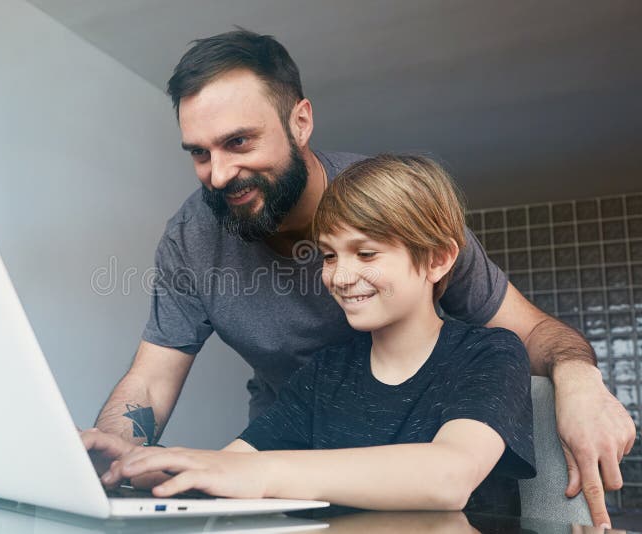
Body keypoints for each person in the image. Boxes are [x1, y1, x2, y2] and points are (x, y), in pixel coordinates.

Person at [83, 29, 634, 527]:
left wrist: (580, 380)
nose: (219, 174)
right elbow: (156, 383)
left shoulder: (403, 214)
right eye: (198, 154)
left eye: (239, 142)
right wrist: (123, 458)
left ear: (300, 121)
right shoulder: (313, 368)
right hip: (301, 466)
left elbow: (454, 462)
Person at [100, 155, 536, 515]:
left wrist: (264, 475)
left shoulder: (490, 353)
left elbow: (449, 476)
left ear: (438, 259)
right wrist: (155, 469)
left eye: (366, 253)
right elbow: (231, 465)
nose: (341, 276)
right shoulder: (325, 373)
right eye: (329, 256)